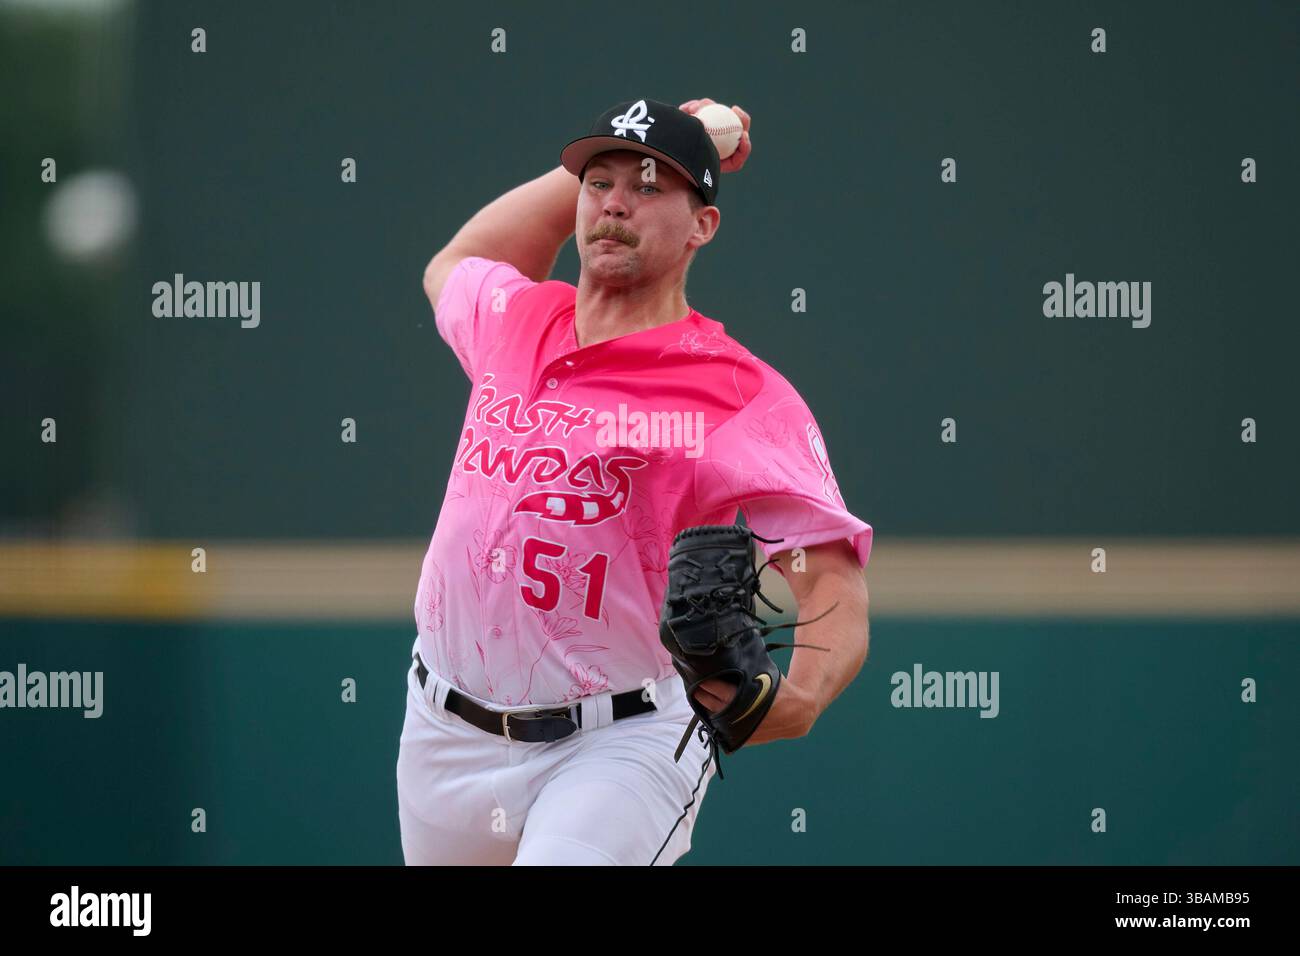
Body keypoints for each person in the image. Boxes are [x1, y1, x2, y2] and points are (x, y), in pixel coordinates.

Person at [397, 97, 873, 865]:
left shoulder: (735, 391)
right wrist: (627, 152)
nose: (616, 201)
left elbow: (830, 575)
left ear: (703, 226)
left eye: (650, 187)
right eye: (600, 183)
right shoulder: (518, 317)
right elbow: (451, 263)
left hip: (618, 742)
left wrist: (807, 690)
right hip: (441, 729)